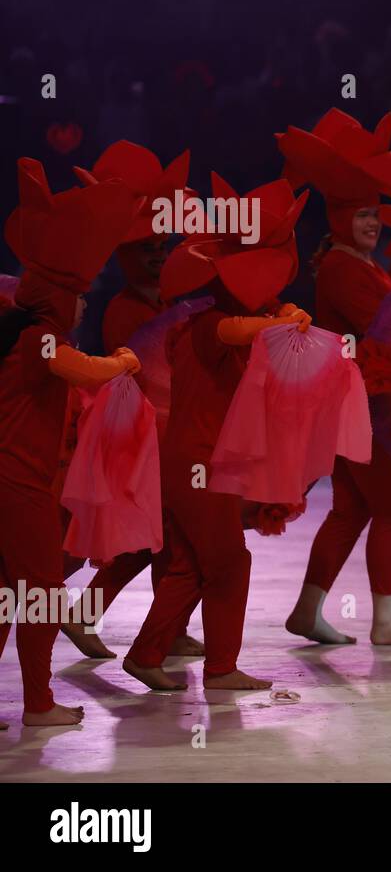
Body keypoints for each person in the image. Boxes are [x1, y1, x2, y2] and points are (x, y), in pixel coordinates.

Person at [123, 174, 312, 692]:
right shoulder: (211, 326)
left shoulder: (212, 323)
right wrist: (282, 321)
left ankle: (145, 655)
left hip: (196, 460)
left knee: (188, 565)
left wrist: (283, 314)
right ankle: (222, 668)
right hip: (197, 463)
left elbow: (254, 331)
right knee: (229, 561)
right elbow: (239, 332)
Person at [278, 109, 391, 645]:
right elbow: (387, 326)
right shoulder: (341, 267)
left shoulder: (362, 263)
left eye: (376, 214)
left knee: (353, 507)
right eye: (362, 216)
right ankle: (385, 620)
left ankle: (307, 612)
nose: (373, 223)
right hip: (358, 407)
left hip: (356, 404)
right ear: (338, 221)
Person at [0, 158, 141, 726]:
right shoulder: (38, 336)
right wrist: (124, 361)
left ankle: (35, 701)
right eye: (81, 295)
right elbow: (80, 370)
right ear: (61, 297)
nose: (87, 305)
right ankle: (38, 704)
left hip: (11, 481)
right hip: (18, 483)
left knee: (10, 593)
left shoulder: (23, 333)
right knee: (41, 592)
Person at [61, 140, 204, 660]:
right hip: (145, 438)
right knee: (161, 536)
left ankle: (152, 623)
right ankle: (105, 616)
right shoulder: (124, 308)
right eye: (146, 248)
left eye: (162, 246)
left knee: (163, 538)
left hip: (169, 435)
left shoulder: (167, 302)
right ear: (123, 255)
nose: (158, 255)